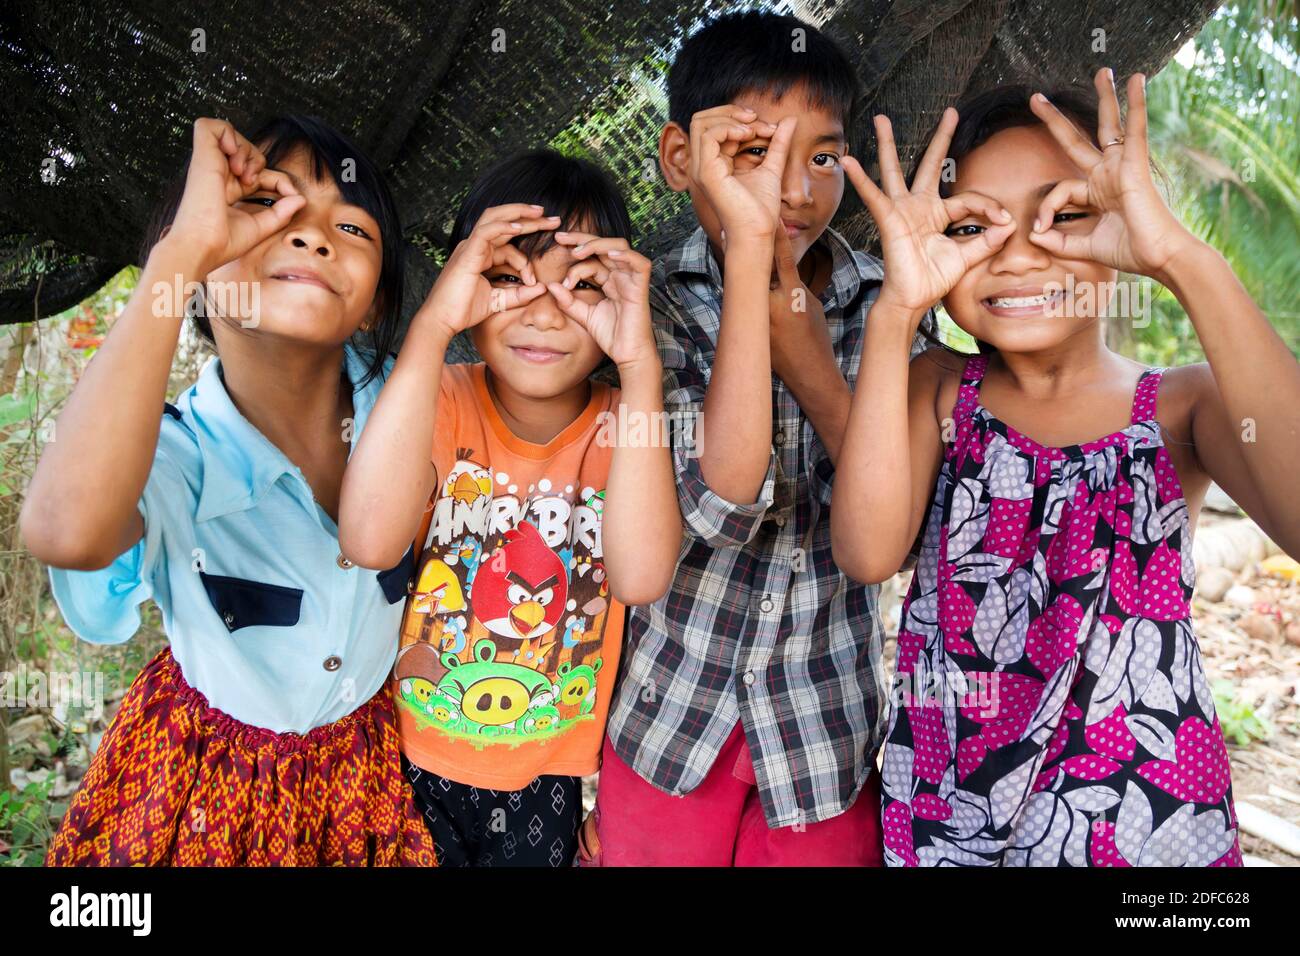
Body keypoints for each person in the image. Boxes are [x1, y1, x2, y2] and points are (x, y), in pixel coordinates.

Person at [834, 68, 1300, 865]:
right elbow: (867, 551)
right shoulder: (937, 390)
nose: (1016, 255)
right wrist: (895, 315)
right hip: (951, 819)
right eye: (972, 228)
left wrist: (1181, 258)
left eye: (1066, 214)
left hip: (1144, 826)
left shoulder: (1181, 409)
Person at [21, 115, 436, 865]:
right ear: (198, 277)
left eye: (352, 227)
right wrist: (179, 253)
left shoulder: (425, 410)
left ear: (376, 301)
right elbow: (66, 530)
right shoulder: (173, 457)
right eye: (264, 211)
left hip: (367, 770)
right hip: (206, 785)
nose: (312, 237)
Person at [588, 10, 917, 866]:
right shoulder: (648, 309)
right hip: (667, 727)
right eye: (752, 153)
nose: (793, 190)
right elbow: (714, 508)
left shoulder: (894, 308)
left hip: (824, 739)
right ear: (678, 157)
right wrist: (749, 270)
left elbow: (909, 529)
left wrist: (813, 366)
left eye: (820, 156)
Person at [338, 150, 681, 866]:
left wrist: (641, 361)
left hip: (544, 780)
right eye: (507, 280)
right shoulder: (438, 396)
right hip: (401, 760)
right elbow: (369, 539)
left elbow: (644, 576)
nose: (544, 313)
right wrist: (433, 325)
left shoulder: (629, 420)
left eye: (579, 288)